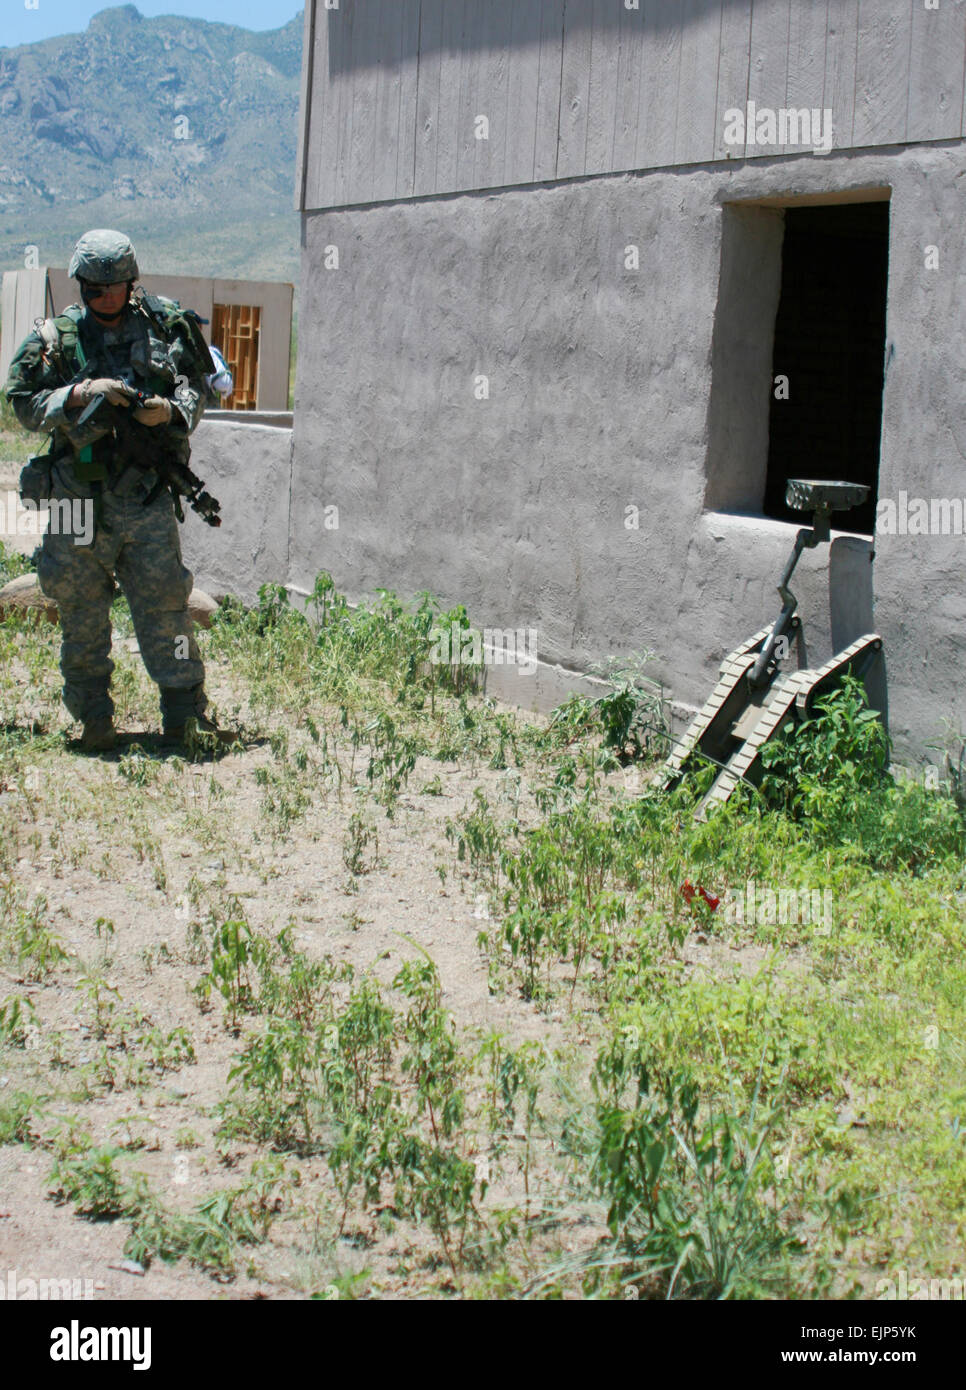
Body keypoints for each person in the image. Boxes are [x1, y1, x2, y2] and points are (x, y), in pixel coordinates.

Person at [3, 228, 224, 751]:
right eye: (96, 289)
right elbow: (20, 403)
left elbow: (198, 388)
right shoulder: (55, 339)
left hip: (144, 494)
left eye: (116, 287)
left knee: (166, 606)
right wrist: (77, 395)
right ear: (81, 285)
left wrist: (169, 411)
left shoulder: (167, 326)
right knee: (79, 607)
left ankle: (184, 712)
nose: (107, 298)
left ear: (131, 282)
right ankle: (93, 715)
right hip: (76, 496)